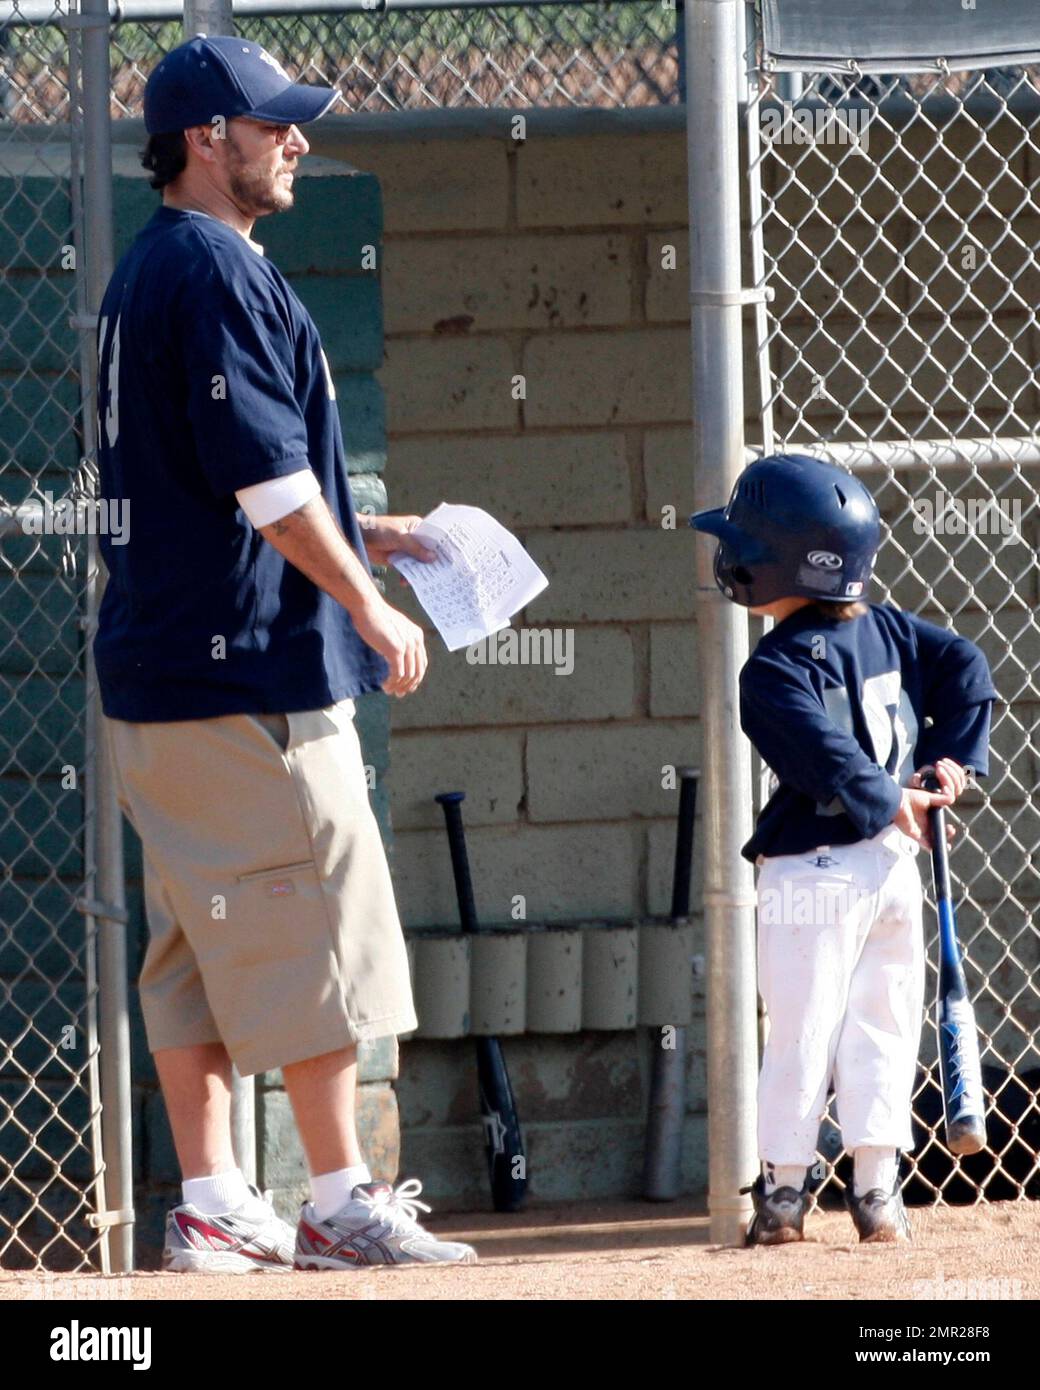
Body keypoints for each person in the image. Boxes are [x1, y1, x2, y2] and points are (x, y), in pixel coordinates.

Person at [94, 35, 476, 1270]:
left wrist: (369, 531)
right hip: (246, 672)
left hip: (165, 674)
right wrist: (368, 601)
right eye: (272, 122)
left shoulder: (157, 266)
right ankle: (337, 1198)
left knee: (199, 941)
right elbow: (260, 482)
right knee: (314, 914)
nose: (295, 138)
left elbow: (213, 480)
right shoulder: (211, 269)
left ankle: (214, 1198)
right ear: (208, 138)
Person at [690, 454, 997, 1244]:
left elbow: (820, 754)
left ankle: (786, 1197)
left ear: (774, 566)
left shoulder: (772, 667)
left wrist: (898, 796)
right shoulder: (893, 629)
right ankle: (876, 1192)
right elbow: (966, 664)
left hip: (814, 869)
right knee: (883, 1025)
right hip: (896, 866)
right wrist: (946, 764)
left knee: (801, 1029)